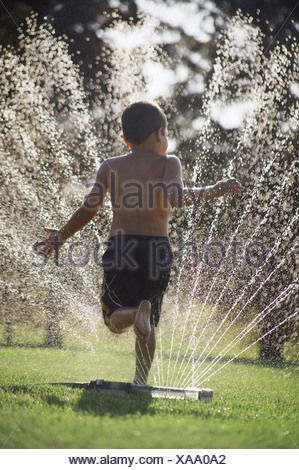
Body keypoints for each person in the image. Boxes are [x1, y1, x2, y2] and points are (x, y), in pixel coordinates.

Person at [35, 100, 243, 384]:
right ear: (160, 134)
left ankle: (134, 313)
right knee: (150, 319)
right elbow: (177, 198)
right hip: (158, 251)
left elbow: (89, 209)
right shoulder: (169, 162)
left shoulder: (110, 166)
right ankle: (141, 380)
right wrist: (213, 190)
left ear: (125, 139)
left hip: (123, 248)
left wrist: (61, 235)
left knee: (114, 319)